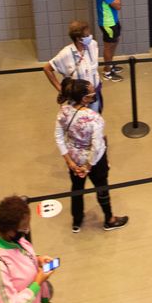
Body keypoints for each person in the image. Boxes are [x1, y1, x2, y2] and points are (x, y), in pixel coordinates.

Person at [54, 78, 129, 233]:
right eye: (90, 93)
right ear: (84, 98)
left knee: (77, 188)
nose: (93, 94)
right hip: (94, 162)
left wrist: (69, 162)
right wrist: (88, 166)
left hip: (74, 158)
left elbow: (59, 137)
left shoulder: (63, 111)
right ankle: (109, 219)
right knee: (102, 187)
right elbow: (97, 145)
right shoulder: (94, 118)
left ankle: (77, 220)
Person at [43, 20, 103, 113]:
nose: (90, 37)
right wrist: (61, 90)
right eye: (86, 36)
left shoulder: (93, 45)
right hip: (77, 101)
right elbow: (47, 68)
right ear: (78, 38)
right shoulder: (66, 54)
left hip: (93, 96)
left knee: (93, 120)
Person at [95, 0, 124, 82]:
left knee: (115, 42)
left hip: (113, 20)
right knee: (109, 46)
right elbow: (117, 6)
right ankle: (107, 72)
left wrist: (116, 0)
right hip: (108, 22)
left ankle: (110, 65)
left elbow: (115, 1)